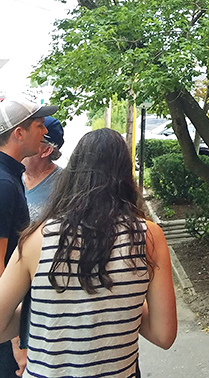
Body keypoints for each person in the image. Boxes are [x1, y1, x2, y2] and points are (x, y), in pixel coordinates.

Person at [0, 127, 176, 378]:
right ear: (126, 176)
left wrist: (48, 312)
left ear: (73, 174)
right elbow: (163, 334)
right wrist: (126, 299)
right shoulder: (148, 237)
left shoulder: (37, 238)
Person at [0, 95, 57, 378]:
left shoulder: (11, 178)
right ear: (18, 133)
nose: (45, 132)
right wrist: (16, 339)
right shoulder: (4, 184)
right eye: (38, 125)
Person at [22, 118, 64, 222]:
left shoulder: (65, 184)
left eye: (29, 139)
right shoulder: (10, 175)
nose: (20, 143)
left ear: (46, 150)